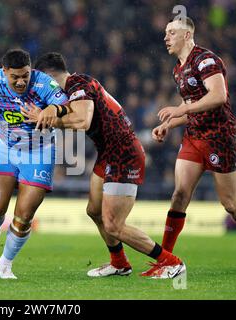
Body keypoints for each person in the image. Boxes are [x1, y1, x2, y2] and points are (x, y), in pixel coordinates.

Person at [25, 52, 185, 279]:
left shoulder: (77, 83)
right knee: (94, 210)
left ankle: (172, 263)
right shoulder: (74, 89)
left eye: (39, 81)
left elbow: (82, 121)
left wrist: (45, 117)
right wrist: (47, 118)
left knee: (114, 225)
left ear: (47, 77)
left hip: (123, 154)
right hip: (109, 153)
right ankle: (119, 263)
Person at [149, 17, 236, 275]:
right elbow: (193, 110)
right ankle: (165, 261)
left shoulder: (205, 60)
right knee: (179, 195)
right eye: (165, 32)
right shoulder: (178, 68)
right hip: (194, 137)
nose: (166, 37)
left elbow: (218, 96)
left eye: (172, 32)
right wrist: (171, 123)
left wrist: (181, 108)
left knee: (230, 203)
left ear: (187, 35)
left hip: (221, 137)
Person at [0, 49, 68, 279]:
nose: (21, 81)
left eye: (25, 76)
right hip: (5, 149)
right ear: (5, 72)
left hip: (40, 152)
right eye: (15, 77)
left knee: (23, 217)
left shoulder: (44, 84)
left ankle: (5, 264)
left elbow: (66, 106)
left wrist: (51, 110)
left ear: (32, 71)